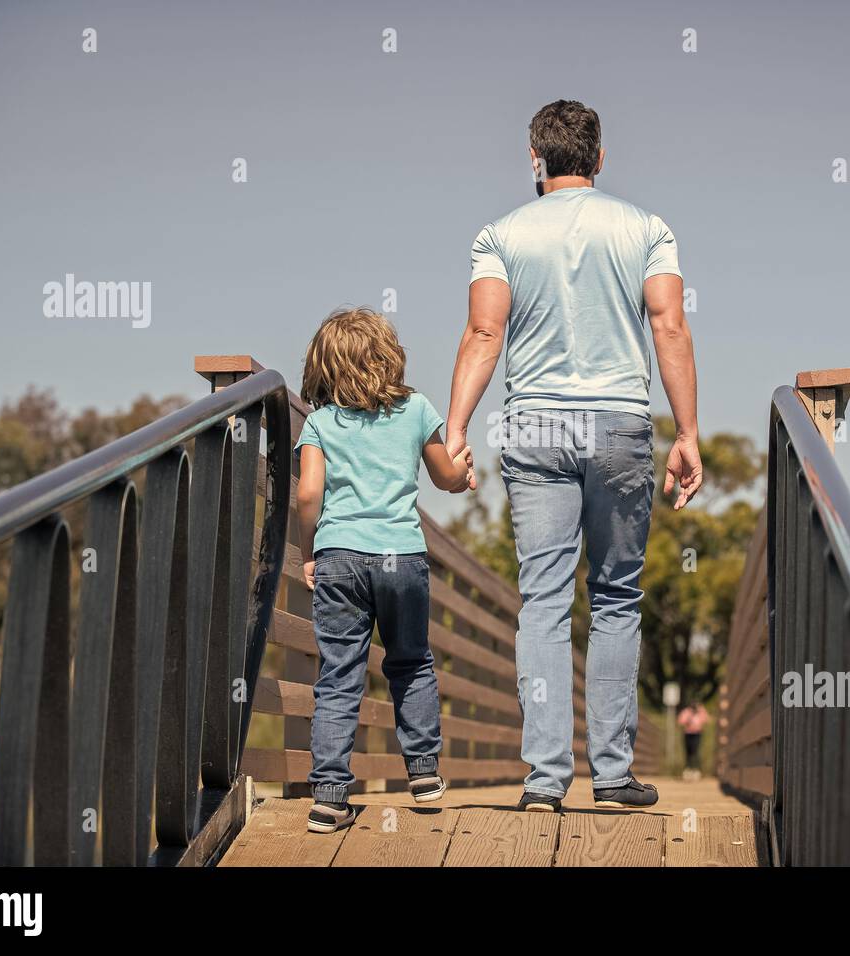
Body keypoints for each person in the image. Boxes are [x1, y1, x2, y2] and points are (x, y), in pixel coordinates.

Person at [446, 100, 704, 812]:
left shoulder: (499, 234)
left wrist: (456, 427)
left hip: (534, 426)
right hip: (620, 423)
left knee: (544, 603)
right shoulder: (647, 228)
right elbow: (669, 322)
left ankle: (544, 781)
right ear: (600, 156)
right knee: (617, 596)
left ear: (535, 159)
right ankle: (614, 774)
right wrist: (686, 430)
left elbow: (482, 331)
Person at [294, 307, 473, 834]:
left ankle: (328, 796)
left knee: (339, 675)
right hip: (401, 556)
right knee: (411, 662)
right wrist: (465, 477)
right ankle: (422, 774)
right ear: (389, 357)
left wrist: (310, 552)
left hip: (340, 558)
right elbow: (445, 477)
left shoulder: (319, 422)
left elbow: (308, 494)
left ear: (323, 367)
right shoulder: (416, 409)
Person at [677, 700, 710, 778]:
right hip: (688, 733)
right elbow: (680, 721)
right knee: (688, 752)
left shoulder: (700, 711)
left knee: (695, 751)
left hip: (697, 733)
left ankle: (696, 770)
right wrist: (689, 716)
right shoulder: (686, 711)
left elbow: (706, 720)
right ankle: (688, 770)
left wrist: (701, 710)